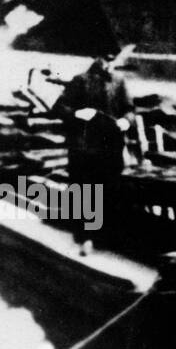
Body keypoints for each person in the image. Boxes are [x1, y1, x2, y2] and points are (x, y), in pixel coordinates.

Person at [51, 56, 132, 255]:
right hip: (84, 146)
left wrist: (126, 121)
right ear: (97, 59)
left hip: (111, 147)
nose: (108, 64)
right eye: (104, 58)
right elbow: (59, 107)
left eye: (111, 59)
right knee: (84, 190)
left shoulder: (119, 82)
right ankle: (84, 237)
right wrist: (77, 114)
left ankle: (103, 238)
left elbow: (129, 109)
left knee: (109, 190)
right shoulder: (80, 80)